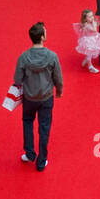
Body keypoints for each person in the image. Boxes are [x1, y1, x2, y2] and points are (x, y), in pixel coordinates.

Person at [13, 22, 63, 171]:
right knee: (44, 128)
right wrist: (59, 91)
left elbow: (17, 79)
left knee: (27, 122)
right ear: (42, 37)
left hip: (29, 97)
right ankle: (41, 161)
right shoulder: (52, 56)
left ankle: (29, 153)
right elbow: (58, 78)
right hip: (46, 97)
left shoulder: (23, 57)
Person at [74, 8, 100, 73]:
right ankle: (90, 66)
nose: (92, 18)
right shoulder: (86, 25)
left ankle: (86, 60)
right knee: (90, 53)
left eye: (92, 16)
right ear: (85, 19)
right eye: (90, 17)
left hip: (95, 39)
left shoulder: (92, 22)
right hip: (89, 41)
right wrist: (94, 22)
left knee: (91, 53)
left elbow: (98, 24)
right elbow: (94, 29)